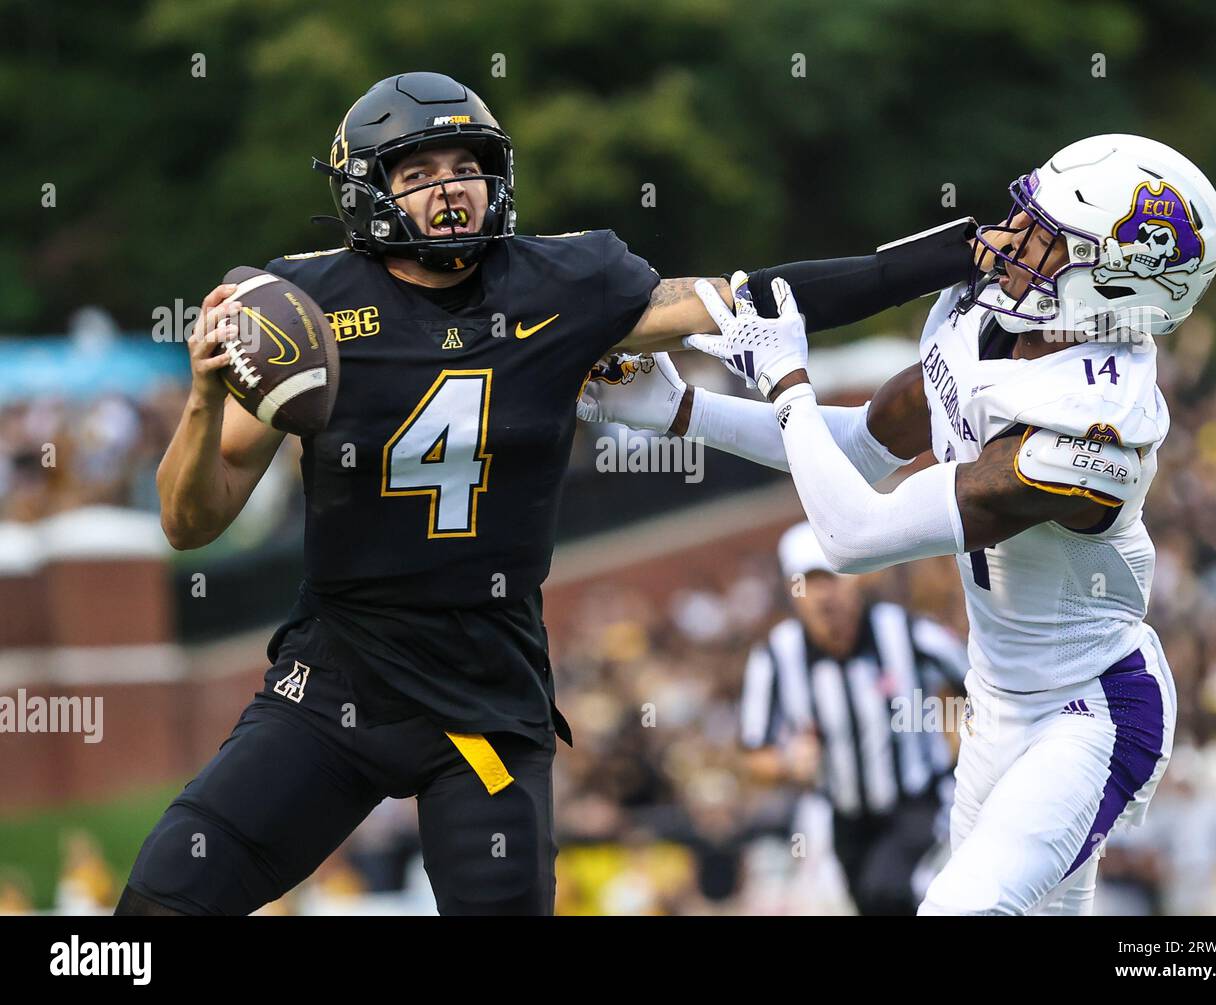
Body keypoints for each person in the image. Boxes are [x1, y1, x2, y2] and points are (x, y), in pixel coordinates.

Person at [115, 71, 979, 917]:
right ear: (369, 193)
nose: (449, 191)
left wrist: (953, 254)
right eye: (417, 175)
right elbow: (190, 521)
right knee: (160, 900)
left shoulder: (567, 283)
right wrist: (201, 400)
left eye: (464, 166)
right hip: (339, 675)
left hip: (484, 702)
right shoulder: (305, 302)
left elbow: (753, 298)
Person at [584, 134, 1216, 915]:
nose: (1012, 242)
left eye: (1048, 239)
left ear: (1120, 284)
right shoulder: (989, 327)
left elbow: (854, 536)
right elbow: (855, 451)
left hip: (1092, 707)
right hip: (998, 700)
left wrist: (787, 379)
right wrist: (683, 409)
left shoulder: (1093, 425)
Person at [740, 522, 966, 914]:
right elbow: (753, 754)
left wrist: (964, 745)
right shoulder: (776, 657)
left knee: (894, 893)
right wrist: (790, 762)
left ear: (855, 581)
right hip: (843, 817)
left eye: (832, 579)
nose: (825, 596)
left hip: (918, 802)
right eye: (810, 583)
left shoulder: (906, 632)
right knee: (866, 901)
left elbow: (979, 686)